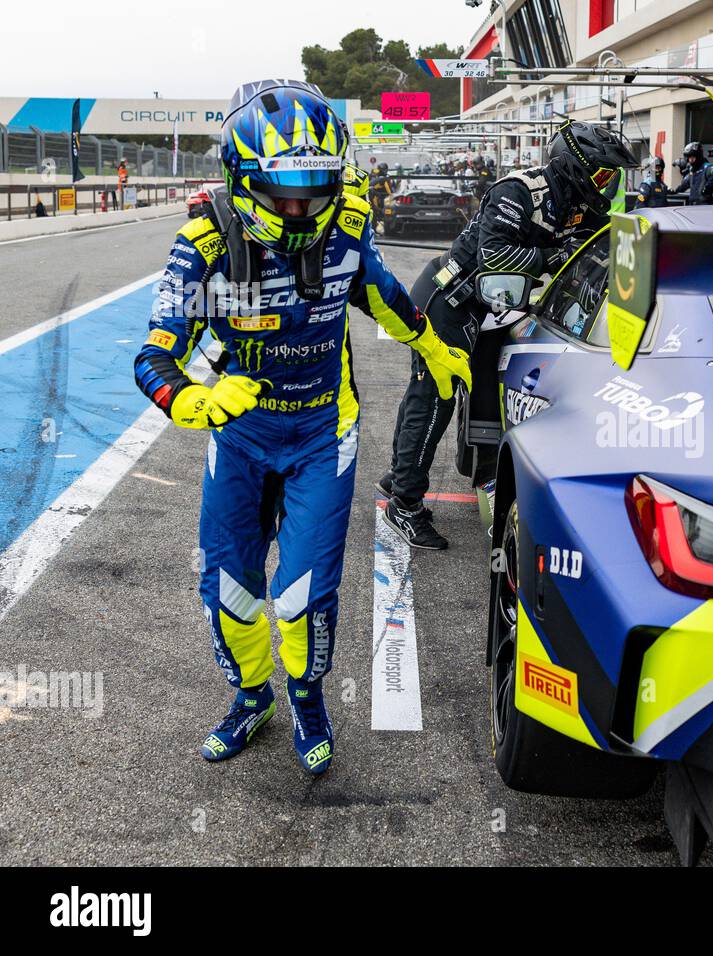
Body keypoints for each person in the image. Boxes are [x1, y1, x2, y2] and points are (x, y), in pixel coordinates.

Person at [132, 79, 470, 774]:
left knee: (305, 595)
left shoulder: (347, 223)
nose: (297, 208)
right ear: (239, 177)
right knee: (229, 586)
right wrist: (186, 399)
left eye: (313, 189)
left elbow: (383, 295)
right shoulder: (202, 242)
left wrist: (431, 345)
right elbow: (153, 355)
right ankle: (251, 698)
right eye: (281, 192)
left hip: (324, 433)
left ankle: (308, 700)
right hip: (241, 437)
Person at [377, 119, 635, 548]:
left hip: (490, 307)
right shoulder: (518, 190)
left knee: (443, 396)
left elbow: (603, 250)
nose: (607, 187)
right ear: (576, 165)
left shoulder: (581, 205)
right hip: (448, 297)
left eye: (613, 178)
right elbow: (494, 254)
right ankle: (404, 505)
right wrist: (556, 254)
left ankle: (398, 475)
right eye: (603, 175)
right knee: (435, 398)